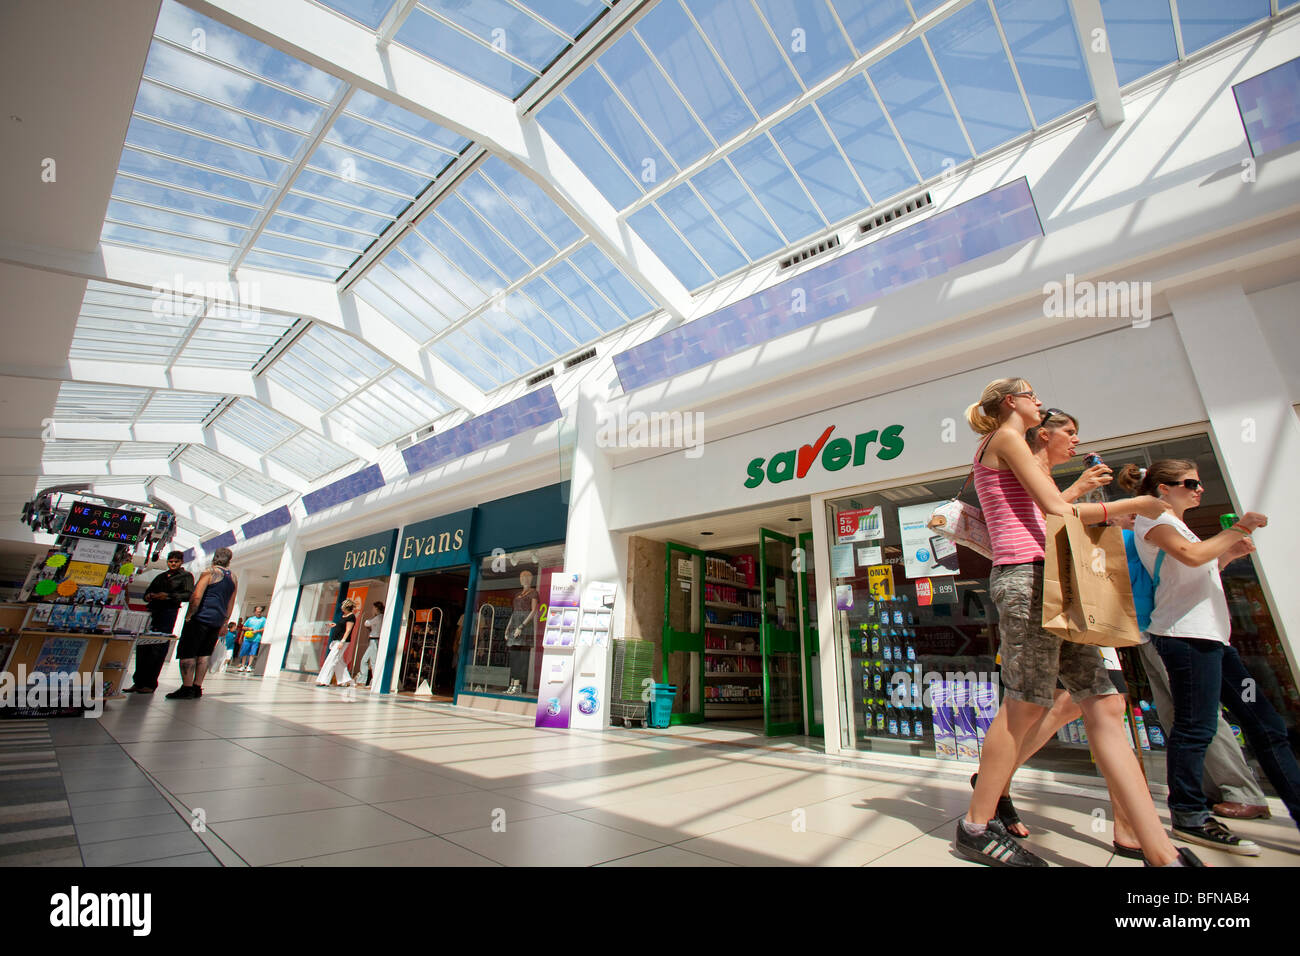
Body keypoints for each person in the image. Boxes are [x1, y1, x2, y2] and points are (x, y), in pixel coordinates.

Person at [953, 378, 1201, 867]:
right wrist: (1138, 505)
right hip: (1026, 581)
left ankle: (1158, 849)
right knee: (1024, 705)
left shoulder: (1012, 446)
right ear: (1011, 402)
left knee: (1105, 705)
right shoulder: (1003, 439)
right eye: (1031, 395)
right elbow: (1058, 510)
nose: (1038, 401)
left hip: (1051, 580)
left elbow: (1050, 512)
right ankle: (975, 826)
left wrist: (1097, 500)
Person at [1120, 459, 1300, 851]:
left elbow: (1197, 569)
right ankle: (1189, 814)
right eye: (1190, 483)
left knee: (1267, 726)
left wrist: (1229, 555)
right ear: (1164, 489)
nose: (1199, 489)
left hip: (1214, 640)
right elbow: (1189, 556)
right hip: (1184, 638)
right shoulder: (1153, 521)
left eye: (1199, 483)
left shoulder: (1178, 524)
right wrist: (1240, 526)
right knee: (1196, 726)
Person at [166, 548, 238, 700]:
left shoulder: (209, 572)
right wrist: (224, 623)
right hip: (216, 621)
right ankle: (197, 687)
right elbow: (231, 602)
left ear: (215, 557)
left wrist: (190, 615)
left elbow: (197, 596)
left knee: (188, 653)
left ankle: (186, 687)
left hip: (200, 618)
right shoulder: (233, 577)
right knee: (204, 654)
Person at [124, 551, 194, 694]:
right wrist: (150, 596)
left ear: (181, 562)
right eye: (170, 561)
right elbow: (147, 593)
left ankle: (150, 683)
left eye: (176, 561)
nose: (173, 564)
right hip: (152, 612)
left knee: (158, 647)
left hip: (168, 613)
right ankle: (138, 681)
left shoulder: (186, 577)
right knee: (143, 646)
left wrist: (168, 596)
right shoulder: (161, 576)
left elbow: (187, 595)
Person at [503, 572, 539, 695]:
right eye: (521, 577)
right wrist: (508, 627)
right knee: (513, 656)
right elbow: (514, 612)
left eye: (526, 577)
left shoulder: (533, 593)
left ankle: (517, 685)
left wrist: (522, 626)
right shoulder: (517, 594)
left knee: (521, 657)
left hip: (524, 626)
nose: (524, 579)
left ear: (531, 579)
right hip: (515, 624)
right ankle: (512, 684)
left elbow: (534, 610)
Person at [316, 599, 358, 688]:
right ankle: (346, 680)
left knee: (332, 659)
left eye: (343, 608)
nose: (342, 609)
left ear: (347, 608)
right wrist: (334, 625)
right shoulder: (344, 616)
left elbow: (348, 630)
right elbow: (342, 626)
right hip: (336, 640)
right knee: (338, 661)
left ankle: (324, 680)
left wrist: (342, 642)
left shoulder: (351, 617)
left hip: (341, 641)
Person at [357, 601, 384, 686]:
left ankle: (374, 680)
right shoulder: (379, 617)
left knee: (372, 661)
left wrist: (369, 620)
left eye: (373, 608)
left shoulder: (379, 617)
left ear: (376, 608)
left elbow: (367, 623)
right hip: (373, 640)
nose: (372, 609)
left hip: (374, 640)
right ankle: (363, 680)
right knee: (365, 660)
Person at [236, 606, 267, 673]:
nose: (259, 613)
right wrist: (249, 629)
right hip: (247, 638)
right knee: (244, 652)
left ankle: (249, 665)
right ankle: (243, 665)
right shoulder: (250, 619)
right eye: (257, 611)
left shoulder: (263, 619)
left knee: (252, 653)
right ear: (255, 611)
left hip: (256, 639)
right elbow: (243, 627)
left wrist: (257, 631)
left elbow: (264, 628)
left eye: (260, 611)